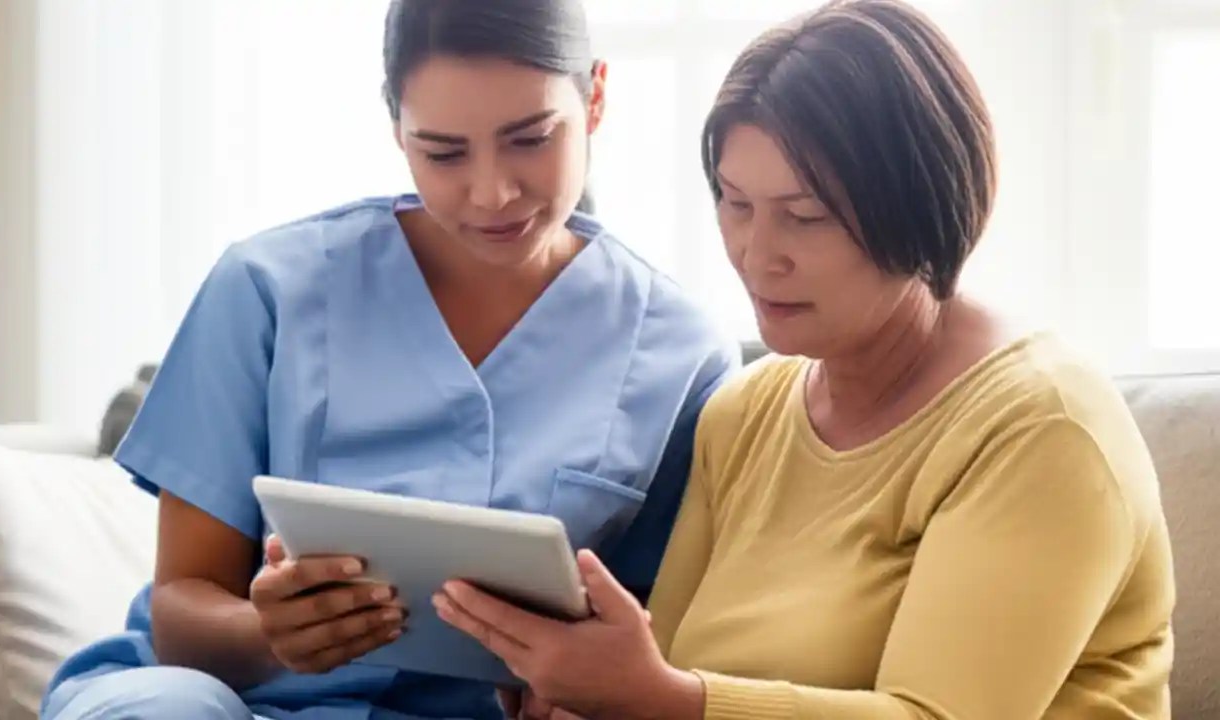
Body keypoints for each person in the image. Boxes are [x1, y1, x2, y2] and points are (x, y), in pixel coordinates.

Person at [433, 1, 1177, 718]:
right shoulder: (743, 415)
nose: (757, 256)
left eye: (805, 217)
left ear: (920, 210)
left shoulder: (1044, 428)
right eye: (735, 202)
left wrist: (653, 699)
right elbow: (672, 672)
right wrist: (577, 692)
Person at [38, 1, 739, 718]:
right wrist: (268, 634)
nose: (492, 192)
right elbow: (181, 612)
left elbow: (664, 634)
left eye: (530, 139)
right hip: (226, 703)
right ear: (397, 131)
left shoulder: (681, 353)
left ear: (594, 96)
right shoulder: (267, 289)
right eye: (443, 152)